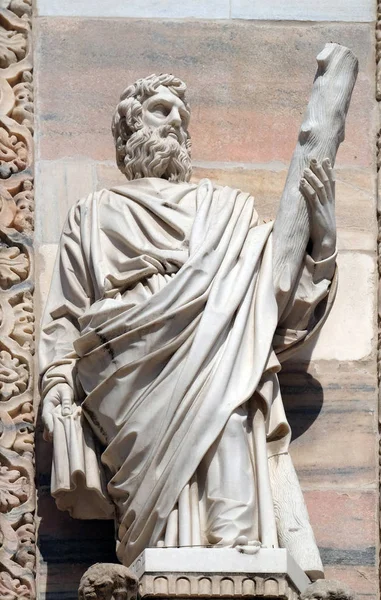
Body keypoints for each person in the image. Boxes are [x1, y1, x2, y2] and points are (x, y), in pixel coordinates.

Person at [39, 73, 337, 580]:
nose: (175, 119)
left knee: (229, 405)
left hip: (218, 354)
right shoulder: (90, 214)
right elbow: (65, 316)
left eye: (181, 113)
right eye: (160, 108)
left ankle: (238, 555)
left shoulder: (227, 210)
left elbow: (277, 296)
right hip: (127, 376)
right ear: (131, 125)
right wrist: (56, 382)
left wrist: (324, 238)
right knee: (156, 504)